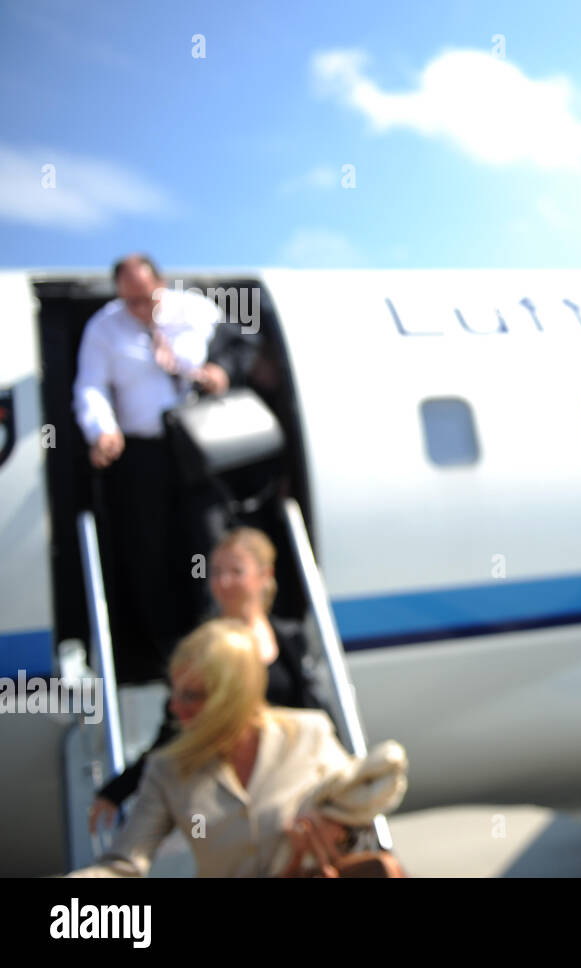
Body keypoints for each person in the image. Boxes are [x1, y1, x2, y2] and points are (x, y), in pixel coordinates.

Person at [70, 618, 403, 877]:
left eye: (192, 696)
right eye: (175, 692)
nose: (175, 708)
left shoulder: (308, 734)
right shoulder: (168, 769)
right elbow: (123, 867)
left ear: (231, 697)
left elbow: (363, 817)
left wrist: (337, 833)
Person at [88, 526, 328, 834]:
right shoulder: (203, 647)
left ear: (264, 575)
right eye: (215, 572)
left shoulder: (289, 638)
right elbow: (175, 729)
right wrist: (119, 789)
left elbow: (311, 713)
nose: (223, 582)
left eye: (235, 571)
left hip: (286, 783)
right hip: (229, 792)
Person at [73, 254, 230, 682]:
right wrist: (101, 430)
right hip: (143, 453)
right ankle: (168, 657)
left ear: (160, 283)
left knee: (210, 540)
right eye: (131, 301)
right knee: (150, 548)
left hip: (199, 444)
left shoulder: (197, 311)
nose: (141, 308)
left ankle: (220, 645)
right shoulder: (104, 328)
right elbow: (91, 385)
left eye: (147, 297)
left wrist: (219, 373)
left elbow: (235, 351)